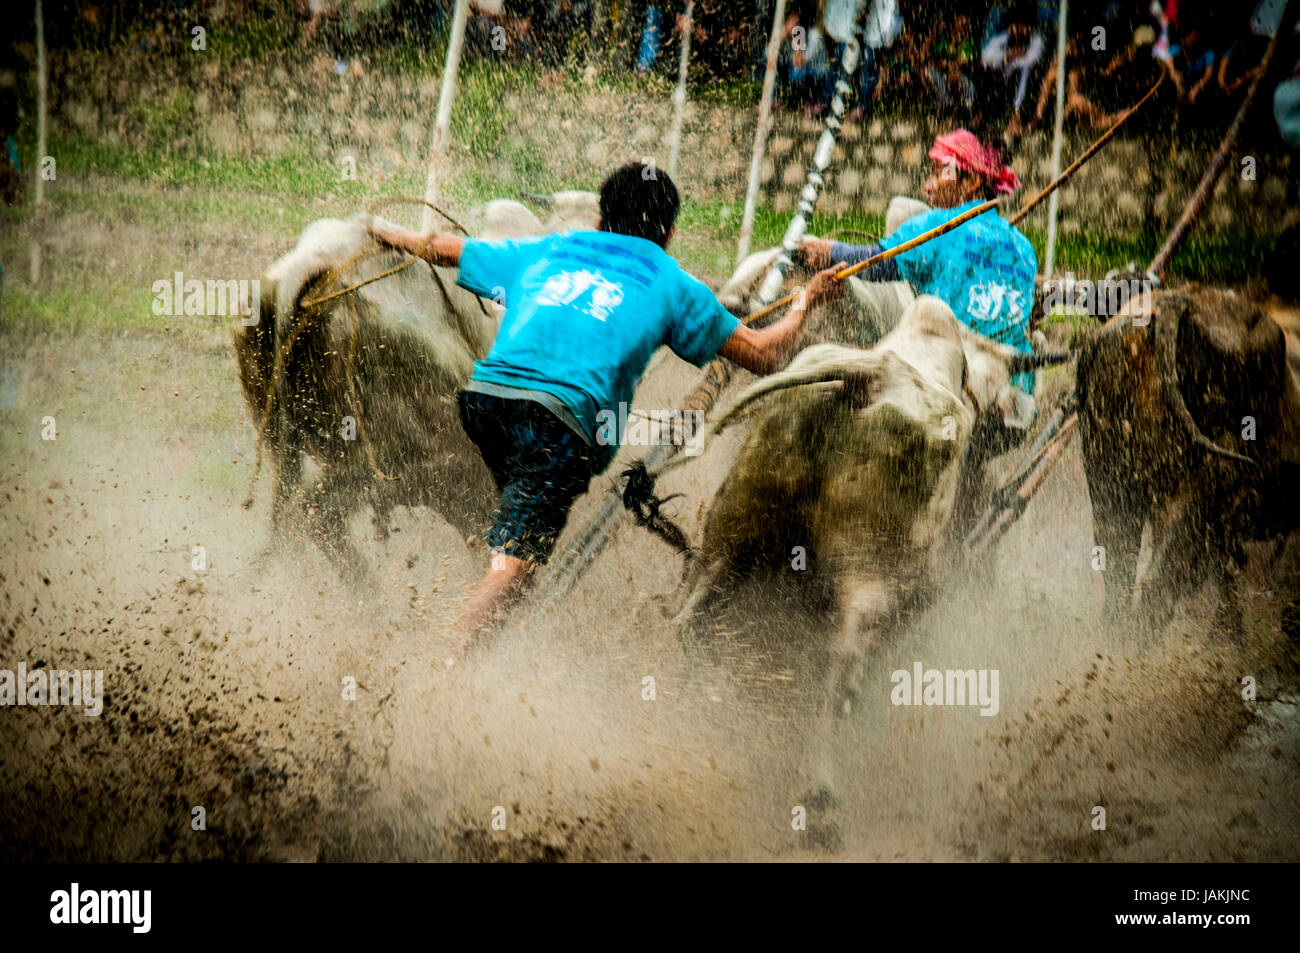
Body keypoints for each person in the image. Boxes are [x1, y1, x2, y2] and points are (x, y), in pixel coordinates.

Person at [368, 162, 844, 642]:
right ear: (669, 233)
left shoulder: (555, 247)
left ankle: (480, 605)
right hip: (557, 423)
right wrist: (807, 300)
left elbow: (444, 249)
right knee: (514, 567)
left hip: (485, 402)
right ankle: (445, 661)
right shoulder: (673, 282)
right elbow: (764, 354)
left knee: (515, 524)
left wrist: (386, 231)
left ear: (600, 219)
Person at [798, 128, 1037, 402]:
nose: (928, 185)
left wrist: (829, 251)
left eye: (939, 174)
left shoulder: (942, 226)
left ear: (972, 182)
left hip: (955, 381)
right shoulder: (1024, 247)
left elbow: (879, 263)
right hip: (1015, 385)